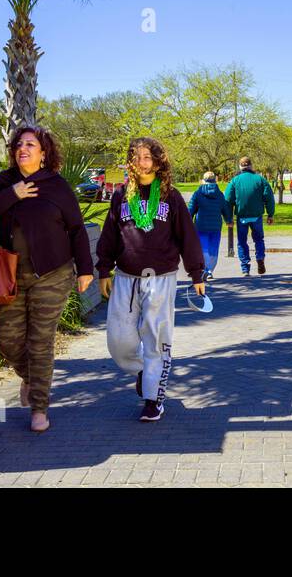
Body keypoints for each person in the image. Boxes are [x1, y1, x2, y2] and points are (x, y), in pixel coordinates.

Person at [0, 126, 94, 433]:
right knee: (8, 340)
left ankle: (39, 407)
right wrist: (13, 195)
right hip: (9, 275)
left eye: (30, 144)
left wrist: (85, 269)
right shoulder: (4, 182)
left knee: (41, 342)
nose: (23, 148)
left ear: (44, 153)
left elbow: (77, 230)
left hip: (52, 274)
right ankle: (31, 376)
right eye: (19, 144)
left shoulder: (57, 186)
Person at [97, 137, 205, 423]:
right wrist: (103, 269)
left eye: (148, 157)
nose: (142, 162)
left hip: (161, 278)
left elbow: (188, 237)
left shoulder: (171, 196)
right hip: (125, 278)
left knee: (156, 338)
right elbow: (110, 235)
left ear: (158, 162)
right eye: (136, 157)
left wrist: (196, 273)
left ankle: (153, 397)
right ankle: (143, 372)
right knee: (119, 340)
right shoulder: (121, 195)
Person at [225, 155, 276, 276]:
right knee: (259, 239)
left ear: (240, 166)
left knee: (242, 242)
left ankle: (245, 268)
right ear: (251, 165)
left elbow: (227, 200)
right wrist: (270, 214)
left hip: (242, 217)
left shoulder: (234, 181)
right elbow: (269, 198)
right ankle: (260, 257)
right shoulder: (260, 180)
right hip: (257, 216)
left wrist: (228, 218)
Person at [187, 171, 230, 280]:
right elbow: (225, 209)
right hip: (216, 226)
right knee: (213, 248)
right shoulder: (220, 194)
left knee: (203, 248)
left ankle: (204, 269)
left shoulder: (198, 193)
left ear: (204, 180)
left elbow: (191, 209)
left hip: (201, 226)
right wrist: (228, 220)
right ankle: (209, 270)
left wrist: (187, 221)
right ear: (215, 180)